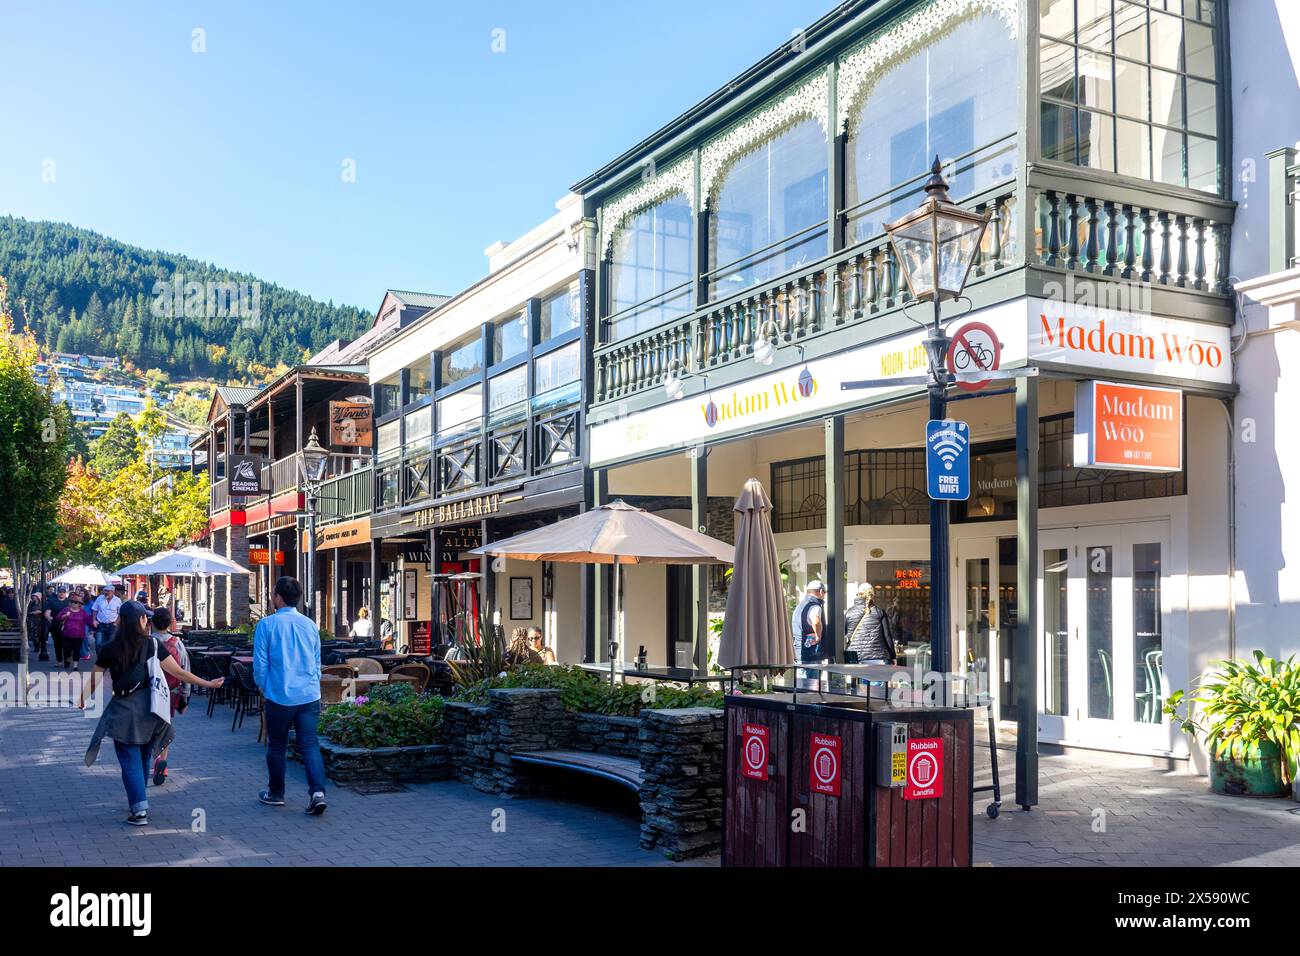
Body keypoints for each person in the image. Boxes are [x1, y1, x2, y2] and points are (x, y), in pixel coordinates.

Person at [78, 600, 222, 826]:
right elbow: (180, 673)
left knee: (130, 762)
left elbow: (94, 679)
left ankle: (139, 809)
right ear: (141, 620)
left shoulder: (110, 648)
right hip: (152, 710)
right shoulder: (153, 645)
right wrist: (209, 684)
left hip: (123, 711)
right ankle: (139, 800)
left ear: (120, 621)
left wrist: (81, 699)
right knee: (144, 758)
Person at [254, 576, 327, 816]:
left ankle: (276, 793)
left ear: (278, 597)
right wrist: (314, 681)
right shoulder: (309, 624)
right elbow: (317, 660)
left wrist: (263, 687)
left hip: (279, 694)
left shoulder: (266, 625)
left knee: (277, 745)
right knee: (309, 745)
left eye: (273, 594)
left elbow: (261, 664)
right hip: (308, 694)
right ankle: (317, 793)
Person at [149, 608, 188, 786]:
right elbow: (185, 671)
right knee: (165, 727)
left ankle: (154, 758)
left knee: (150, 728)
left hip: (150, 691)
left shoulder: (147, 643)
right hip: (171, 692)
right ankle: (161, 762)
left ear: (152, 624)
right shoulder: (177, 643)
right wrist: (185, 696)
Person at [844, 583, 896, 665]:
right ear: (872, 595)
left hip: (856, 657)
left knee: (859, 677)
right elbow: (887, 636)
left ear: (857, 595)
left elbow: (844, 634)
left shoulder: (849, 613)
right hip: (878, 657)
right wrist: (893, 656)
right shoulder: (879, 612)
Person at [790, 581, 827, 666]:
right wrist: (818, 636)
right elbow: (816, 621)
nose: (824, 595)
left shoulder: (800, 606)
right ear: (821, 592)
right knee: (812, 679)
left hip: (799, 651)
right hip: (811, 654)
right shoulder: (814, 606)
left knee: (801, 678)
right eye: (824, 592)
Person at [56, 592, 92, 670]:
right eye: (72, 602)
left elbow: (89, 621)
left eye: (75, 602)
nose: (73, 604)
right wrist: (65, 615)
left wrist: (94, 627)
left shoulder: (83, 612)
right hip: (67, 633)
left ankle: (75, 665)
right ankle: (67, 659)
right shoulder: (66, 610)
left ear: (79, 604)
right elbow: (58, 617)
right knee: (66, 649)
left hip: (79, 635)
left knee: (76, 650)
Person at [90, 584, 122, 651]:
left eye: (108, 591)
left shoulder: (118, 600)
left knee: (111, 644)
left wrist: (116, 623)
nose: (106, 593)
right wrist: (94, 620)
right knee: (98, 644)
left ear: (113, 592)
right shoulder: (99, 598)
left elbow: (120, 613)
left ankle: (109, 660)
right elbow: (95, 609)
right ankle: (100, 660)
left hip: (112, 625)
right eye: (105, 591)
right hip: (101, 625)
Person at [45, 585, 71, 667]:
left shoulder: (69, 602)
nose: (62, 594)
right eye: (60, 592)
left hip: (67, 625)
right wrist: (50, 618)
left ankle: (67, 658)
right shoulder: (52, 601)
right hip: (55, 625)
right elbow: (47, 613)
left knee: (67, 644)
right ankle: (59, 660)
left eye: (63, 592)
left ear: (66, 593)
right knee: (57, 644)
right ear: (57, 592)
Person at [27, 587, 47, 661]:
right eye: (33, 596)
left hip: (40, 621)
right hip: (33, 620)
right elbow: (28, 611)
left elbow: (45, 611)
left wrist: (40, 612)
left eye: (35, 596)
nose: (34, 597)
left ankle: (41, 647)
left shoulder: (42, 604)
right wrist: (32, 612)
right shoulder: (31, 603)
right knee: (34, 634)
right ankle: (36, 647)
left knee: (41, 633)